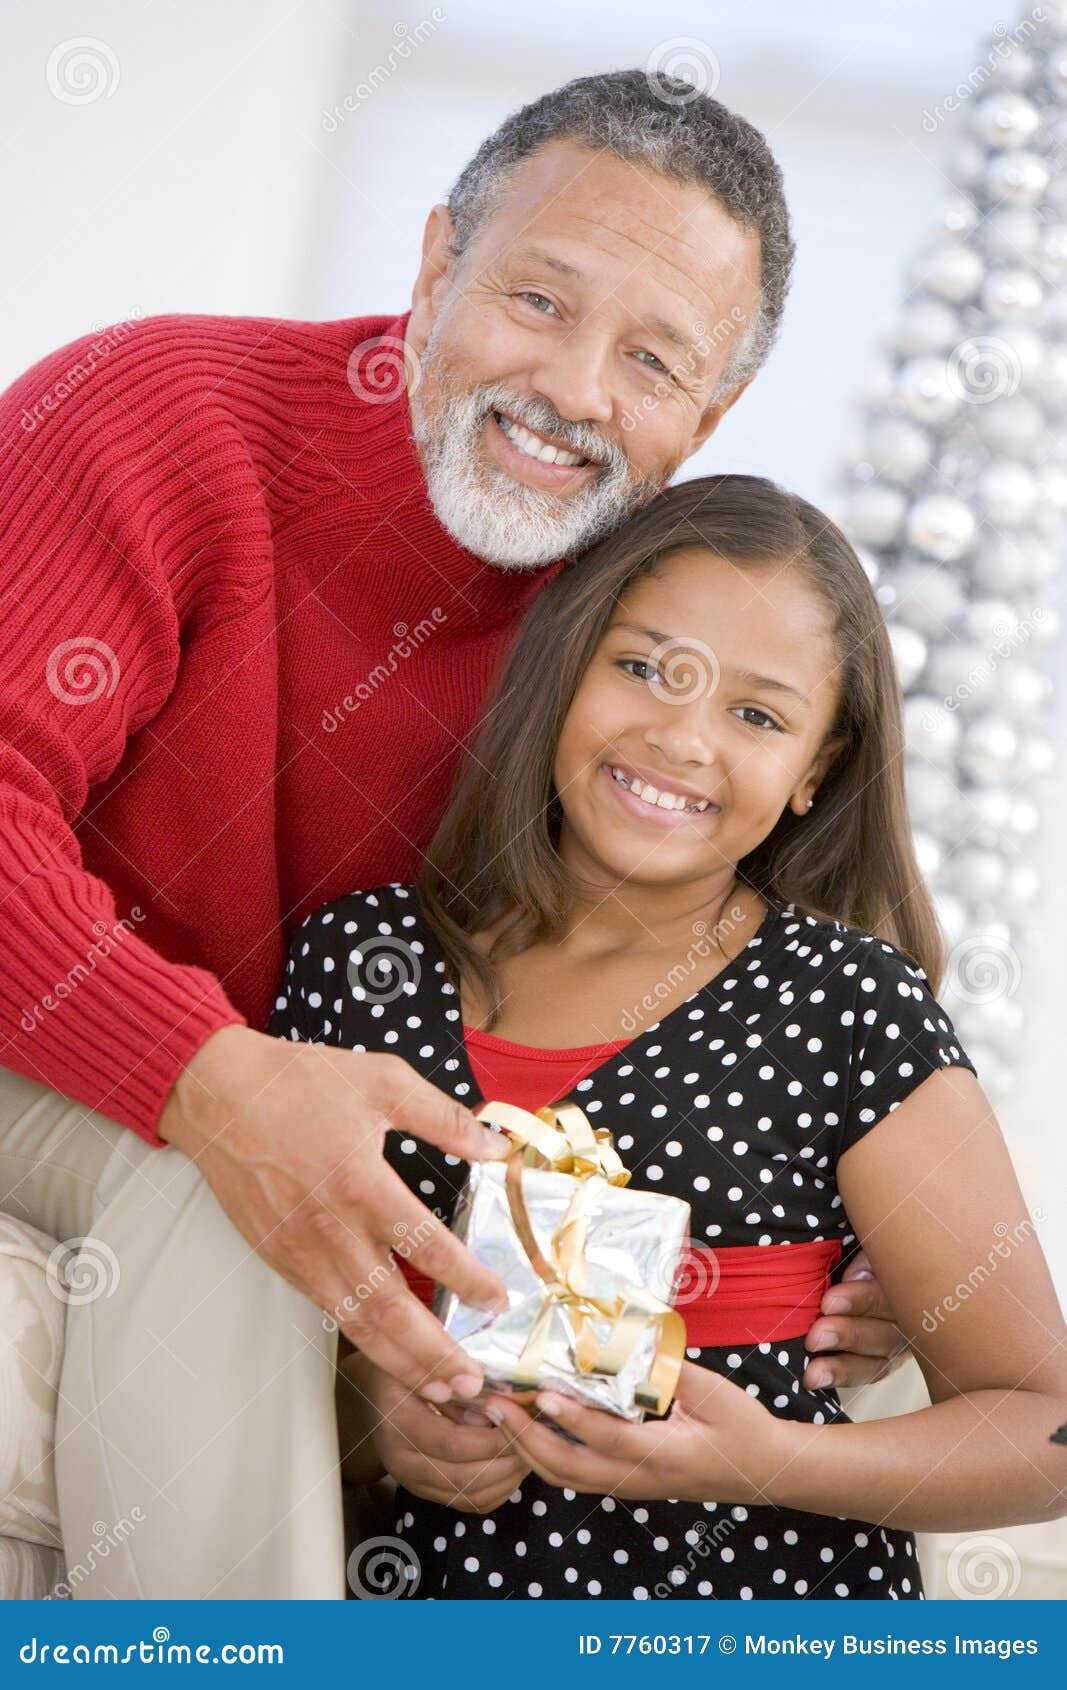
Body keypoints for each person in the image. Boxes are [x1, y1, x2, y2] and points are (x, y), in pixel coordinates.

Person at [0, 72, 901, 1598]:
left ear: (709, 414)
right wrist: (209, 1079)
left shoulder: (641, 640)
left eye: (651, 359)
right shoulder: (153, 417)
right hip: (50, 1055)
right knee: (223, 1194)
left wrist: (847, 1220)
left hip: (333, 1143)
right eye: (535, 299)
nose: (568, 388)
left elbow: (740, 964)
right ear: (431, 273)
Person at [272, 474, 1067, 1600]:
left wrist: (772, 1459)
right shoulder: (356, 966)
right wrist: (369, 1412)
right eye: (642, 667)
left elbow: (1041, 1428)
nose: (680, 738)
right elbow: (246, 1329)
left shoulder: (847, 1006)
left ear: (815, 772)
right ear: (564, 667)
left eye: (756, 714)